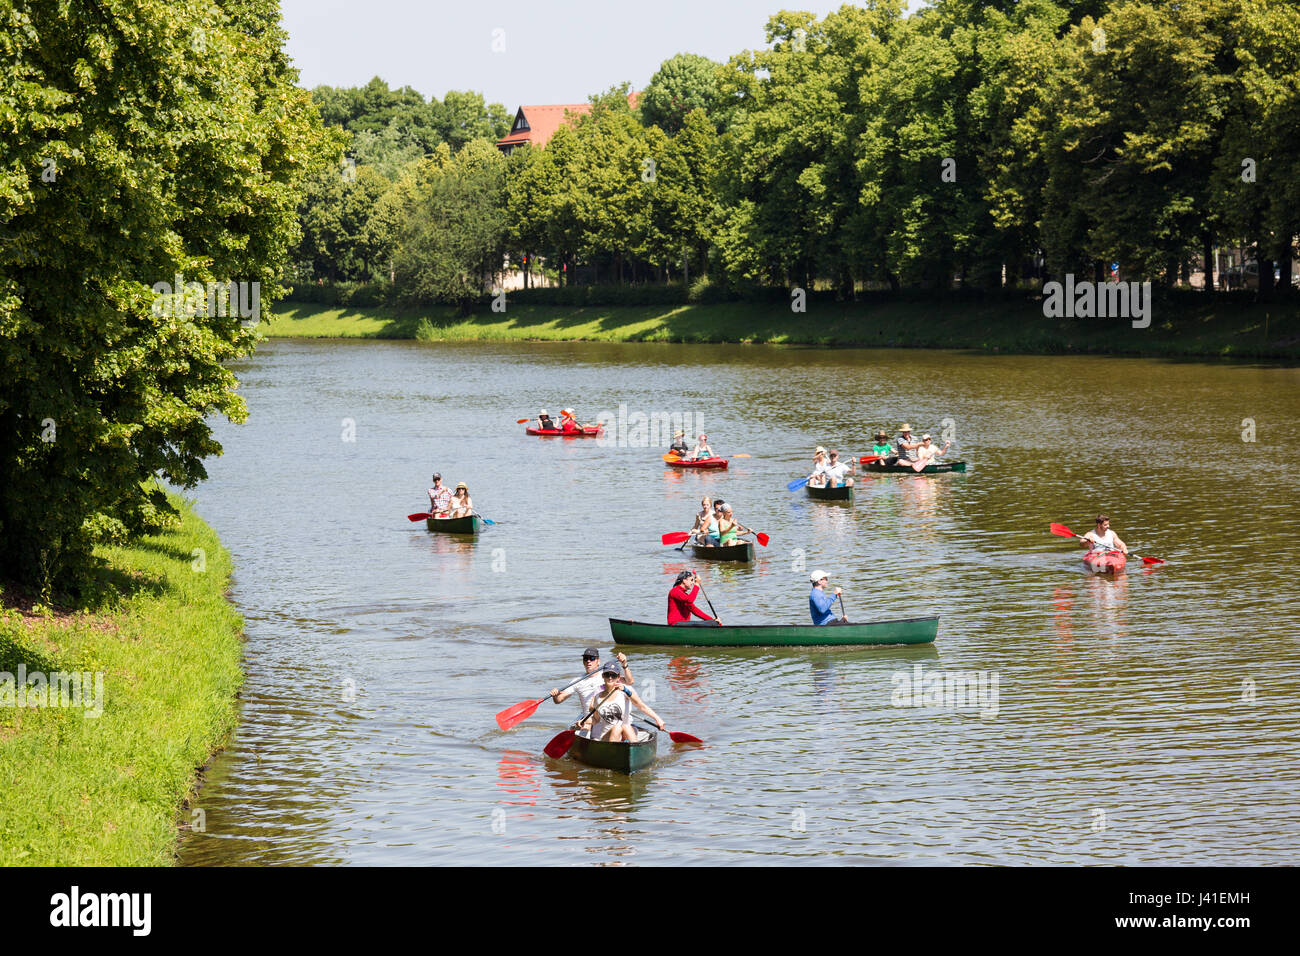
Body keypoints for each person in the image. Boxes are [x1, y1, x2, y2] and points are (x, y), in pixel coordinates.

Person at [579, 666, 664, 743]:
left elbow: (641, 706)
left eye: (613, 675)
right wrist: (584, 722)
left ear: (618, 677)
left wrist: (658, 719)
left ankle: (634, 748)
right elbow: (596, 719)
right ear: (603, 676)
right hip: (606, 738)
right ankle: (614, 751)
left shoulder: (625, 692)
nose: (610, 678)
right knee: (617, 728)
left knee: (625, 726)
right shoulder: (597, 697)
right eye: (607, 675)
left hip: (625, 732)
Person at [551, 648, 634, 714]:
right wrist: (555, 695)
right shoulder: (577, 681)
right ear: (583, 661)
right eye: (585, 658)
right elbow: (558, 700)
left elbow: (630, 681)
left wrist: (624, 664)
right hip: (588, 718)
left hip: (606, 715)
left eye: (592, 658)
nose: (588, 661)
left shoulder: (608, 675)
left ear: (598, 661)